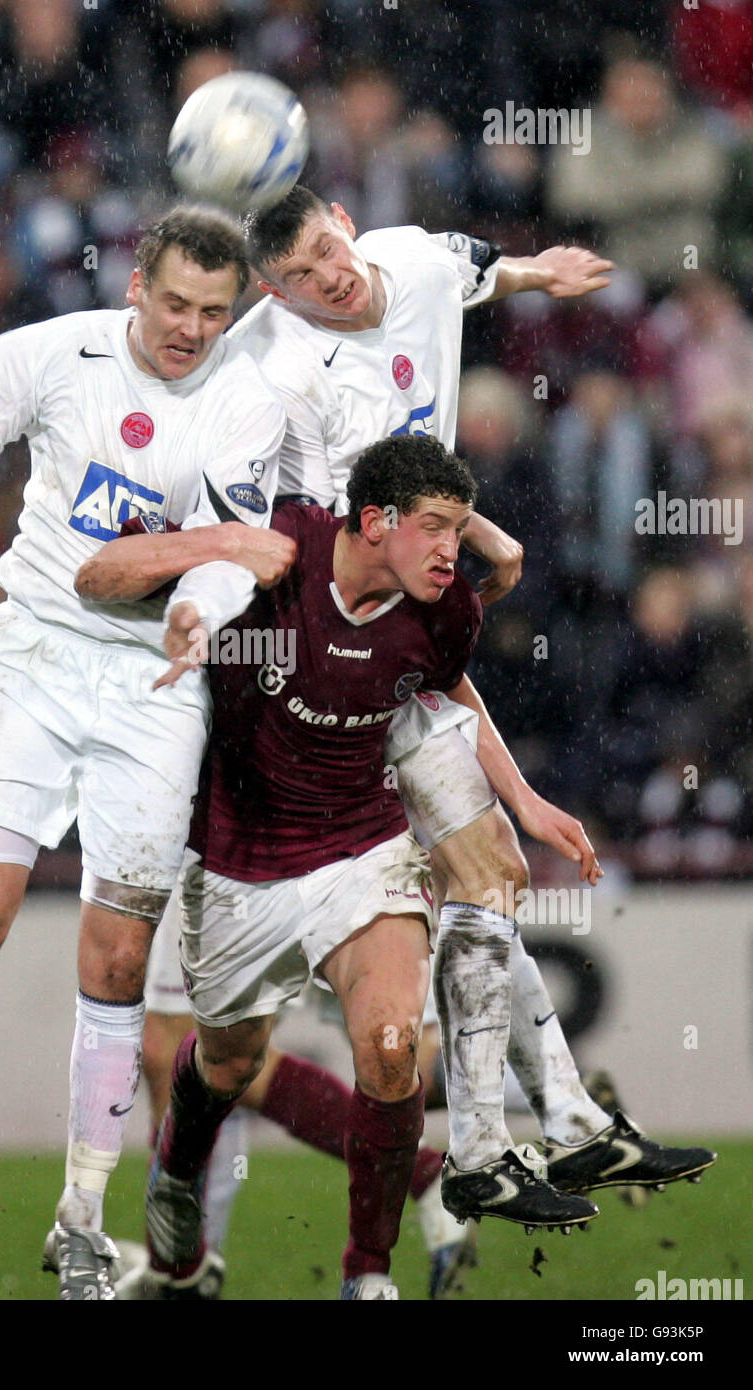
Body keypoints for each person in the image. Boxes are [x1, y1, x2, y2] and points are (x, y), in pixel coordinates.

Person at [130, 186, 714, 1258]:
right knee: (217, 1049)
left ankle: (527, 1139)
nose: (326, 280)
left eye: (325, 252)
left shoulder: (418, 260)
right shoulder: (280, 372)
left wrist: (543, 269)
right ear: (273, 292)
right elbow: (346, 515)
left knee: (488, 871)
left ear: (347, 220)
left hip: (398, 630)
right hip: (296, 670)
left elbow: (478, 265)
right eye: (297, 278)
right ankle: (214, 1219)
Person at [0, 206, 295, 1302]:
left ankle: (80, 1215)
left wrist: (202, 611)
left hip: (155, 684)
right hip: (36, 654)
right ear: (137, 286)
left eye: (213, 314)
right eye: (175, 303)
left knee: (120, 963)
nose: (190, 329)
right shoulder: (58, 350)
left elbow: (237, 546)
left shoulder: (243, 400)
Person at [146, 436, 598, 1301]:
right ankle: (179, 1159)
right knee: (228, 1064)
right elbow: (157, 567)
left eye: (459, 530)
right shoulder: (274, 551)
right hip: (238, 866)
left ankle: (366, 1274)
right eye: (433, 528)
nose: (448, 549)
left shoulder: (447, 608)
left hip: (362, 845)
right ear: (371, 521)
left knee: (391, 1054)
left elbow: (447, 690)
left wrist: (523, 803)